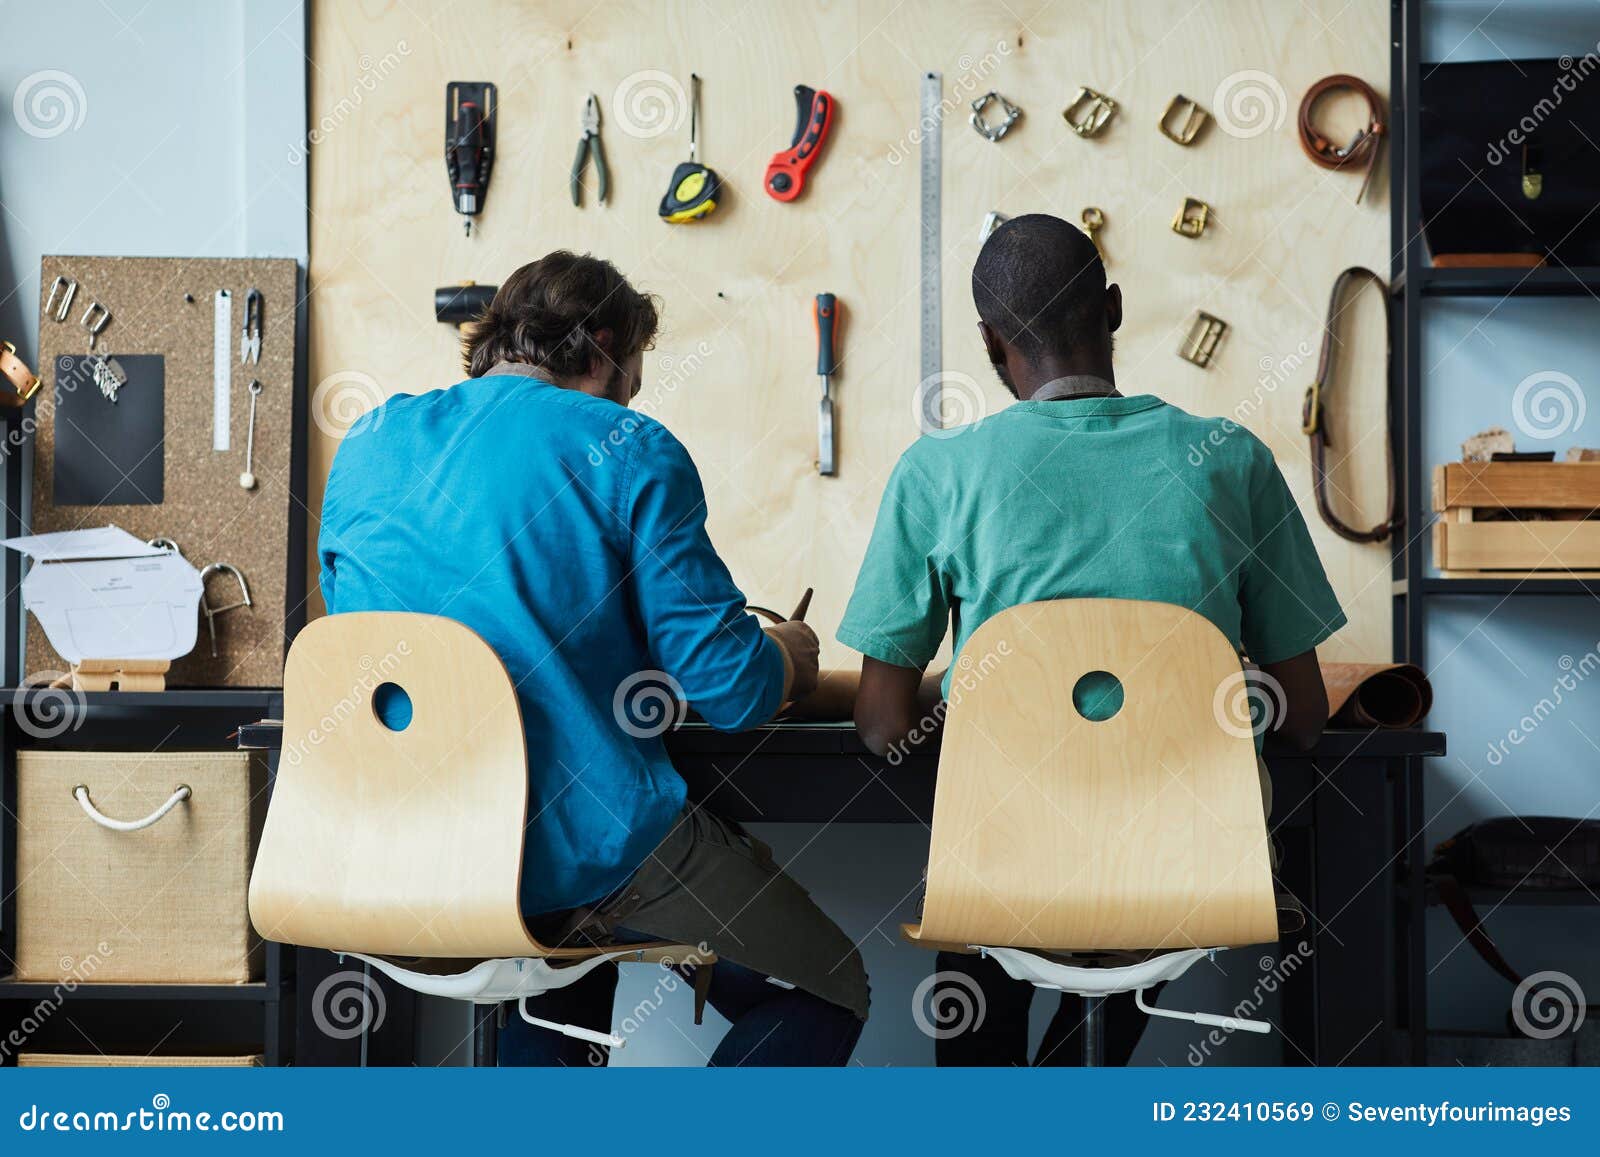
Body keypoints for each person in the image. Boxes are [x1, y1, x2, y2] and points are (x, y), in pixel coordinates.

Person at [319, 251, 868, 1066]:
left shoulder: (369, 442)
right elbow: (733, 688)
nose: (631, 399)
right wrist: (787, 653)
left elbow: (383, 640)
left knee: (565, 965)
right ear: (605, 347)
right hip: (570, 850)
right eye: (633, 377)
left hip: (405, 850)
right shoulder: (628, 445)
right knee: (830, 983)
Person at [836, 213, 1343, 1066]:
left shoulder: (939, 473)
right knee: (1164, 879)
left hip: (1004, 861)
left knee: (988, 855)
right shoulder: (1232, 459)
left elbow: (883, 726)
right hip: (1188, 864)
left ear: (993, 344)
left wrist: (989, 689)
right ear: (1112, 309)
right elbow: (1304, 721)